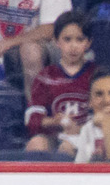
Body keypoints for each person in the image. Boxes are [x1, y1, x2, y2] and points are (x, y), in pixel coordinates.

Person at [23, 8, 92, 151]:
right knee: (36, 144)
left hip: (87, 138)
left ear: (88, 43)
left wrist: (79, 129)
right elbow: (32, 119)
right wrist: (54, 121)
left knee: (67, 148)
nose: (73, 46)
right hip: (54, 138)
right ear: (56, 42)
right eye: (67, 39)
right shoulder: (46, 76)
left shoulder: (96, 74)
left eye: (79, 39)